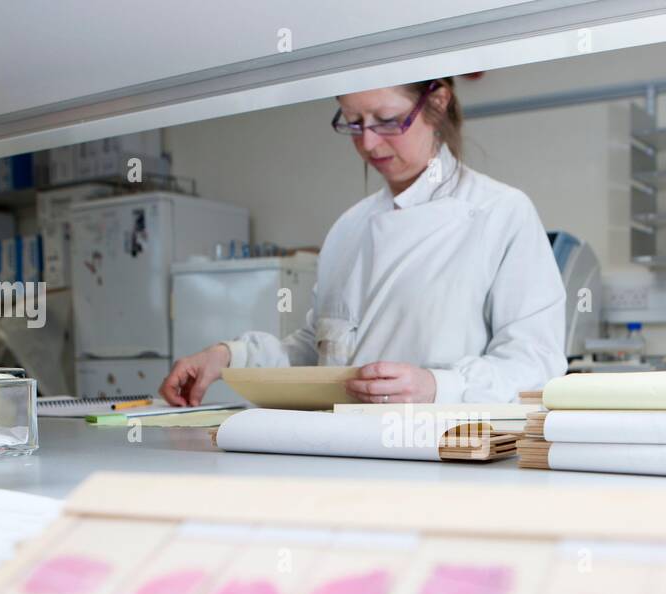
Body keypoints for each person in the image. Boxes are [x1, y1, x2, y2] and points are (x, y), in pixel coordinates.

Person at [160, 77, 567, 407]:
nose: (368, 143)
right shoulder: (349, 228)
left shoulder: (501, 213)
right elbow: (317, 352)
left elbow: (536, 365)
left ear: (438, 103)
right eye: (354, 122)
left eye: (387, 120)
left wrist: (436, 387)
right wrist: (230, 356)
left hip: (448, 461)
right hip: (345, 455)